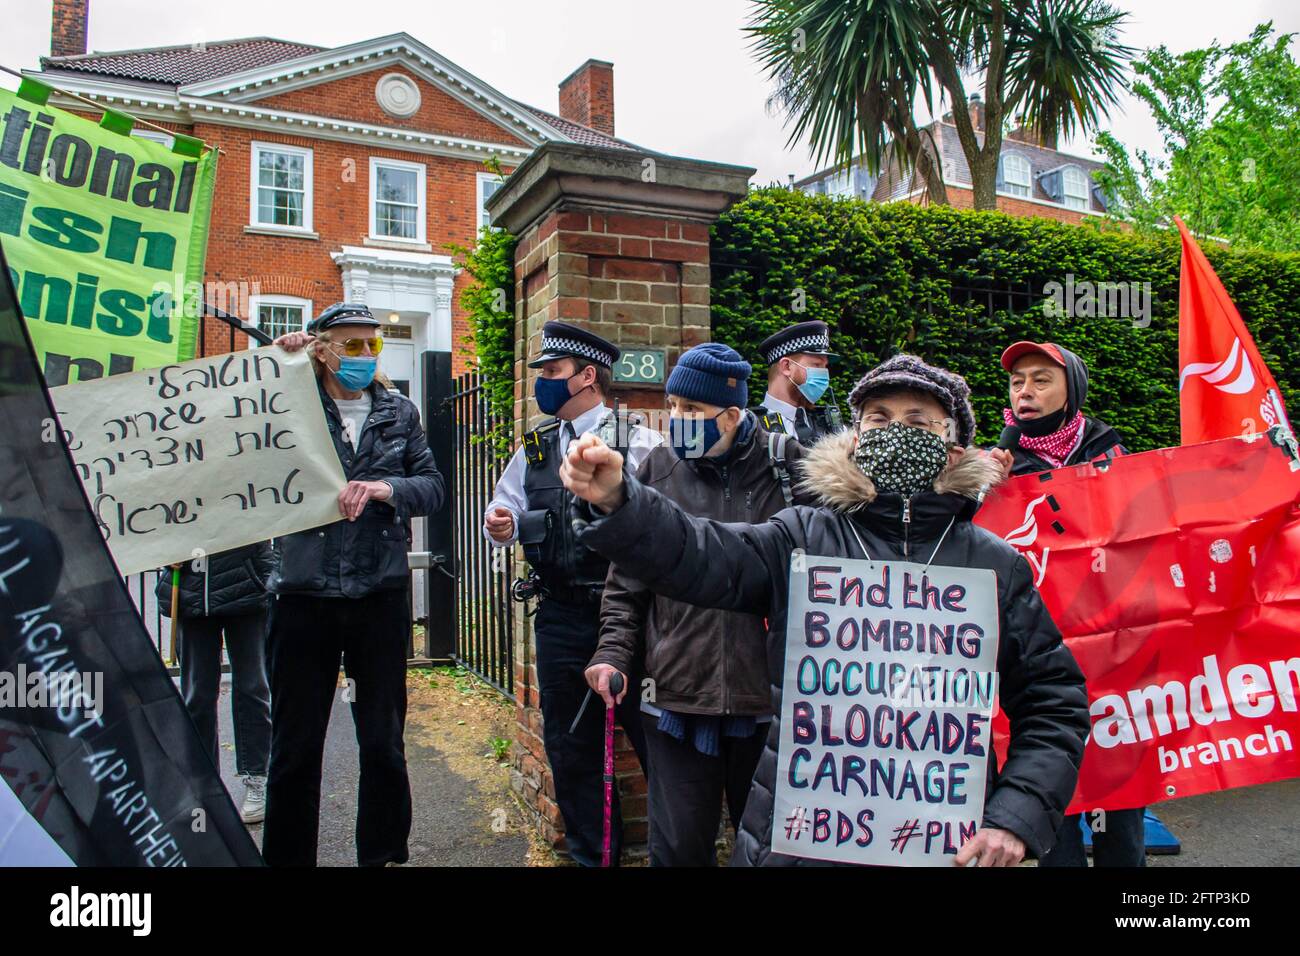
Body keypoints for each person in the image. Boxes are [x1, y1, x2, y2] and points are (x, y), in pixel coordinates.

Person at [559, 353, 1091, 867]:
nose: (895, 432)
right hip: (803, 843)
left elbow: (1053, 700)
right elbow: (701, 554)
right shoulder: (803, 537)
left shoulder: (995, 565)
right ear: (856, 439)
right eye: (879, 418)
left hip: (943, 843)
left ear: (953, 446)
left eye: (917, 420)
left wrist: (1015, 815)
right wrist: (620, 502)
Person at [585, 343, 809, 866]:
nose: (677, 420)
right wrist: (612, 655)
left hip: (770, 704)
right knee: (680, 849)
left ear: (732, 416)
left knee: (774, 851)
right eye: (673, 406)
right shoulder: (655, 471)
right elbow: (626, 584)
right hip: (676, 696)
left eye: (692, 410)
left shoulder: (788, 468)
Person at [263, 302, 444, 867]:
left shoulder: (398, 413)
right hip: (301, 596)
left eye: (374, 345)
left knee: (383, 740)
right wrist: (275, 363)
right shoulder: (289, 401)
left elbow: (433, 485)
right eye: (354, 344)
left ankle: (383, 854)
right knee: (294, 747)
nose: (366, 355)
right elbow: (237, 427)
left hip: (379, 597)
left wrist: (387, 488)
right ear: (322, 347)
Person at [483, 321, 662, 866]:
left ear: (587, 377)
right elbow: (507, 505)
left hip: (628, 617)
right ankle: (594, 856)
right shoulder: (534, 447)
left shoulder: (639, 439)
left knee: (656, 739)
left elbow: (665, 523)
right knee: (570, 743)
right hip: (559, 614)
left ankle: (674, 851)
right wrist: (501, 522)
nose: (542, 382)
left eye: (552, 373)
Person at [997, 340, 1144, 867]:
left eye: (1041, 379)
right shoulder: (998, 462)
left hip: (1115, 660)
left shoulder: (1114, 454)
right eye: (1018, 382)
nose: (1026, 392)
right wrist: (975, 484)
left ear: (1071, 388)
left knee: (1122, 826)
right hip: (1041, 656)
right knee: (1055, 825)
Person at [155, 544, 273, 824]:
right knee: (197, 695)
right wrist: (162, 551)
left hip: (246, 584)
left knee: (252, 688)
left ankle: (255, 778)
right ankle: (202, 785)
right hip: (193, 589)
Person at [750, 320, 843, 444]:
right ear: (787, 366)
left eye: (825, 366)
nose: (825, 374)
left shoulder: (832, 426)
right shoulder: (751, 428)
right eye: (816, 364)